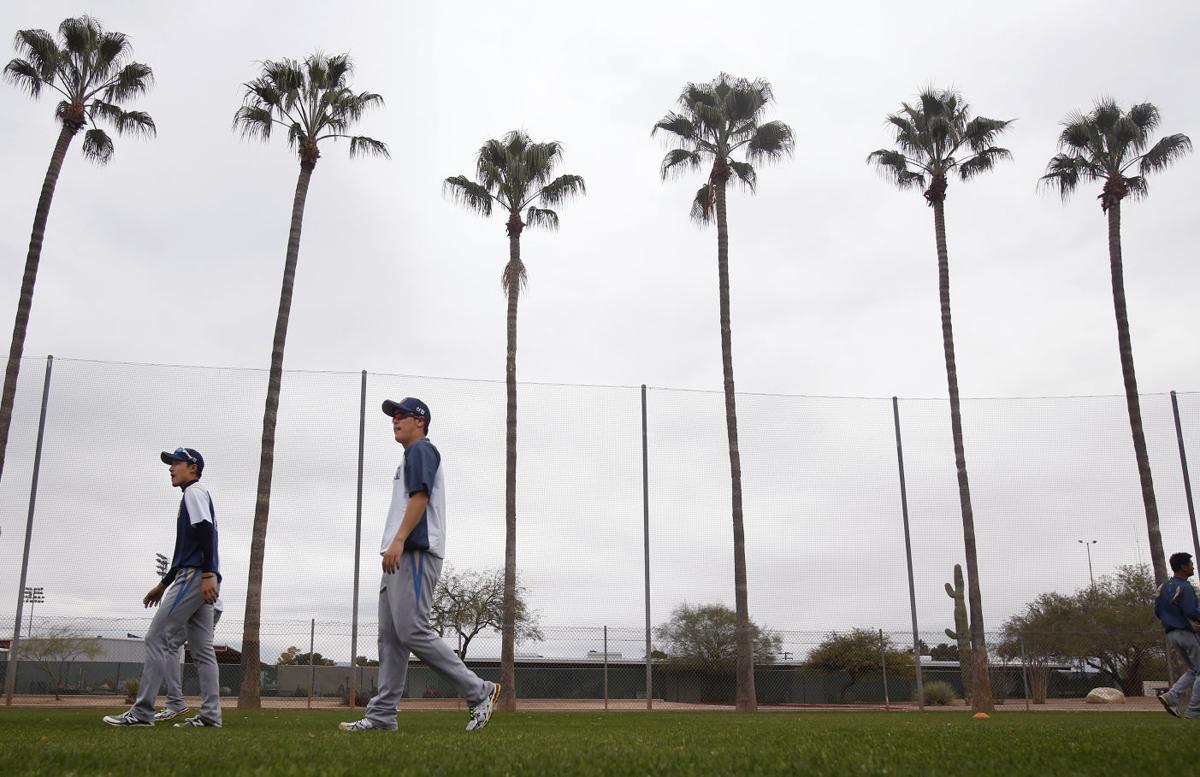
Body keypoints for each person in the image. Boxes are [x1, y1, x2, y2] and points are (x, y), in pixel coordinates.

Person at [340, 397, 501, 733]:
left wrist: (399, 540)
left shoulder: (421, 451)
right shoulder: (409, 455)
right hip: (399, 555)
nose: (394, 420)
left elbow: (420, 497)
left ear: (420, 420)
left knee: (413, 630)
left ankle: (479, 691)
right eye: (392, 416)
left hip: (415, 552)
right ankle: (382, 715)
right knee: (391, 639)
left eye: (401, 415)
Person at [103, 447, 223, 728]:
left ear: (192, 467)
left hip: (194, 576)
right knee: (203, 651)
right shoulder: (194, 495)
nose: (171, 468)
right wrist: (163, 584)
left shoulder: (194, 492)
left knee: (156, 638)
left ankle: (142, 712)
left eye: (176, 463)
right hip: (196, 574)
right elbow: (188, 547)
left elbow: (206, 533)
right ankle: (210, 716)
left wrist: (208, 573)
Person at [154, 599, 223, 722]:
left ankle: (176, 702)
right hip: (213, 605)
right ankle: (210, 712)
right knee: (203, 653)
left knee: (169, 645)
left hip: (195, 603)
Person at [1154, 551, 1200, 719]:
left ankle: (1171, 696)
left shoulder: (1163, 587)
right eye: (1190, 563)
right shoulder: (1185, 586)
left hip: (1172, 634)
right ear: (1183, 567)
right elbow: (1190, 610)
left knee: (1194, 669)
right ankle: (1194, 712)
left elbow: (1158, 612)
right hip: (1187, 632)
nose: (1192, 566)